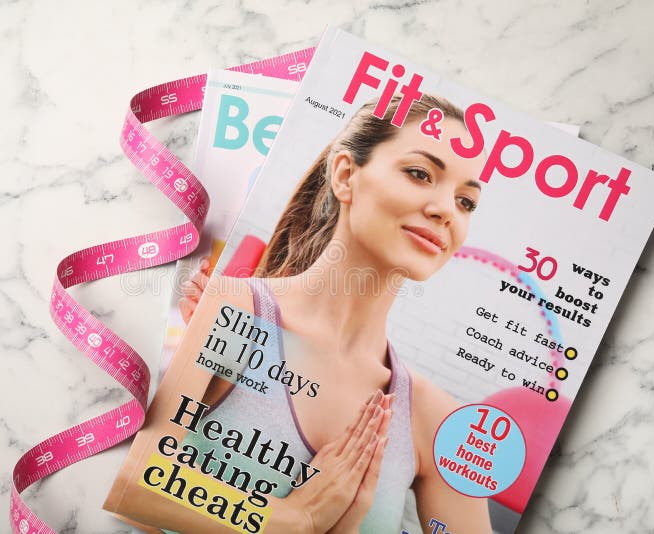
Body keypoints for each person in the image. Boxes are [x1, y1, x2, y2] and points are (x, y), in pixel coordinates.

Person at [178, 94, 492, 534]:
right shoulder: (233, 313)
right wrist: (296, 520)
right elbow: (133, 491)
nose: (446, 212)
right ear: (345, 175)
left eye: (466, 202)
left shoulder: (437, 419)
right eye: (420, 174)